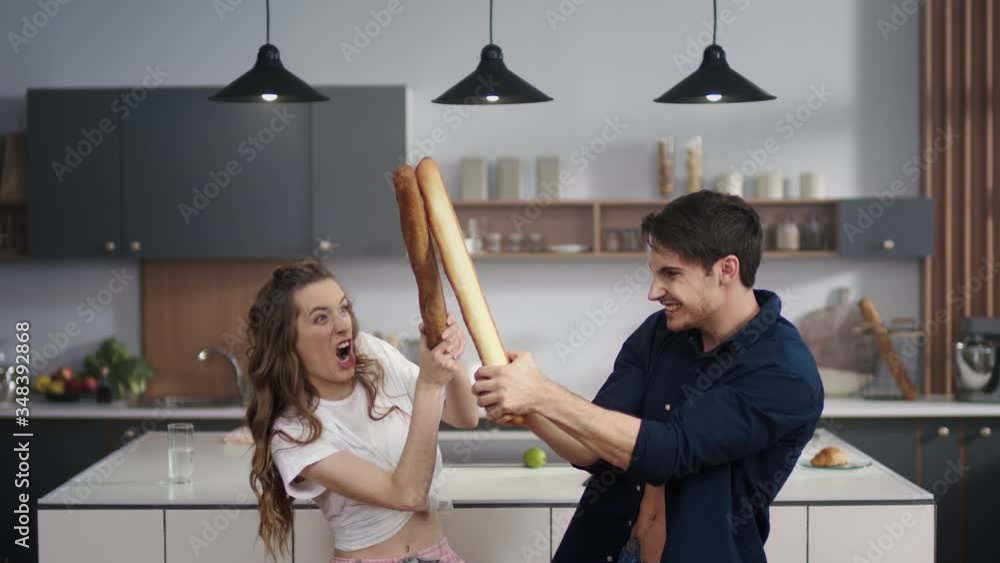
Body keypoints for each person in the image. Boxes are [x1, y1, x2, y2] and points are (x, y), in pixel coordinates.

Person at [473, 191, 825, 563]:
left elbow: (669, 452)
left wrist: (542, 394)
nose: (653, 292)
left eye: (670, 274)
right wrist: (527, 408)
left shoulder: (784, 371)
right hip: (607, 549)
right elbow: (593, 449)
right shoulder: (660, 333)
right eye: (653, 273)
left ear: (726, 270)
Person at [245, 259, 479, 563]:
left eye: (343, 308)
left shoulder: (371, 351)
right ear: (287, 344)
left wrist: (449, 356)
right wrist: (430, 383)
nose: (343, 324)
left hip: (439, 554)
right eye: (320, 318)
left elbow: (465, 417)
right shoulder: (291, 432)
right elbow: (407, 496)